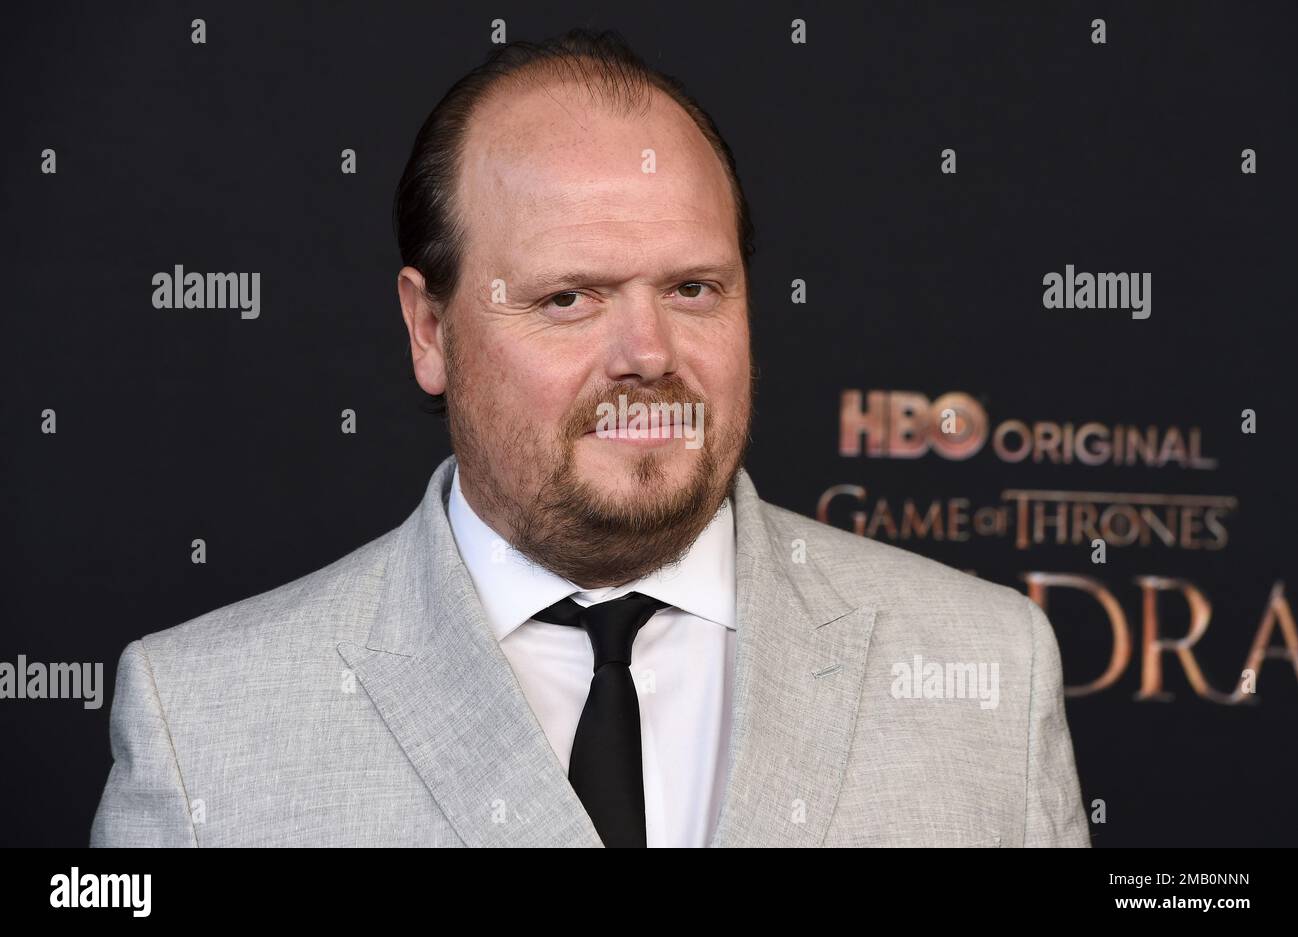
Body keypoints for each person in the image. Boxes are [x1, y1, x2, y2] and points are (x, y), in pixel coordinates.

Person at [90, 28, 1089, 848]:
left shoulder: (986, 670)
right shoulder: (204, 725)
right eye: (569, 297)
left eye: (693, 289)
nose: (648, 354)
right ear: (429, 329)